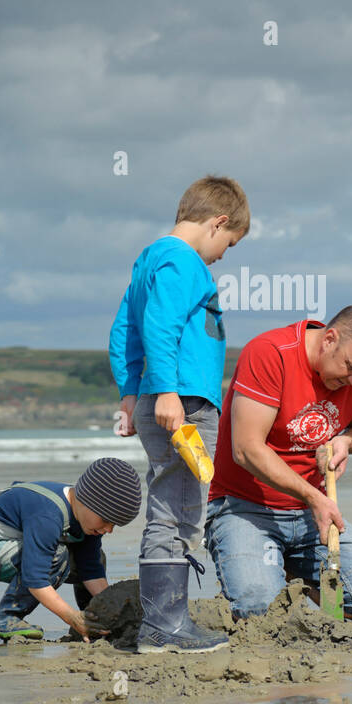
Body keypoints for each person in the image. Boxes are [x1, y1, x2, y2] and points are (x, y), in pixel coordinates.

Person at [108, 175, 249, 653]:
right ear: (218, 222)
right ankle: (165, 626)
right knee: (179, 509)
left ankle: (166, 621)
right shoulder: (182, 261)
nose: (222, 256)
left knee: (171, 500)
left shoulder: (148, 258)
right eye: (226, 245)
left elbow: (125, 326)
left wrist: (131, 392)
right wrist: (166, 390)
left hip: (159, 395)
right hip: (182, 401)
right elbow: (159, 324)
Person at [205, 305, 352, 621]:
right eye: (350, 367)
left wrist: (346, 441)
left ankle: (296, 572)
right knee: (261, 614)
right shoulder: (270, 353)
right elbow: (246, 449)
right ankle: (263, 569)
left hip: (313, 515)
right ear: (329, 339)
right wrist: (312, 496)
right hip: (246, 508)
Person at [0, 457, 142, 641]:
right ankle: (7, 617)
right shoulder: (48, 515)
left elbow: (90, 569)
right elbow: (35, 578)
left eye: (115, 525)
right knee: (57, 556)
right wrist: (71, 618)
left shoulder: (87, 520)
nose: (109, 529)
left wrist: (113, 610)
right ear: (87, 501)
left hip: (15, 541)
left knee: (96, 557)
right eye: (106, 520)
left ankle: (93, 617)